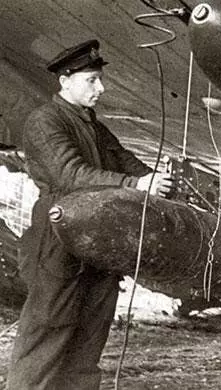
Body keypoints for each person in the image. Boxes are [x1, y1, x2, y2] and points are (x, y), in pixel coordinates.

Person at [7, 39, 174, 390]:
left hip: (98, 243)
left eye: (100, 79)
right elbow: (71, 175)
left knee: (89, 340)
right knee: (47, 337)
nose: (101, 88)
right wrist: (135, 184)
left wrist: (158, 179)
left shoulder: (93, 126)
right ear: (65, 80)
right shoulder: (45, 121)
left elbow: (125, 160)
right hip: (58, 243)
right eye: (92, 80)